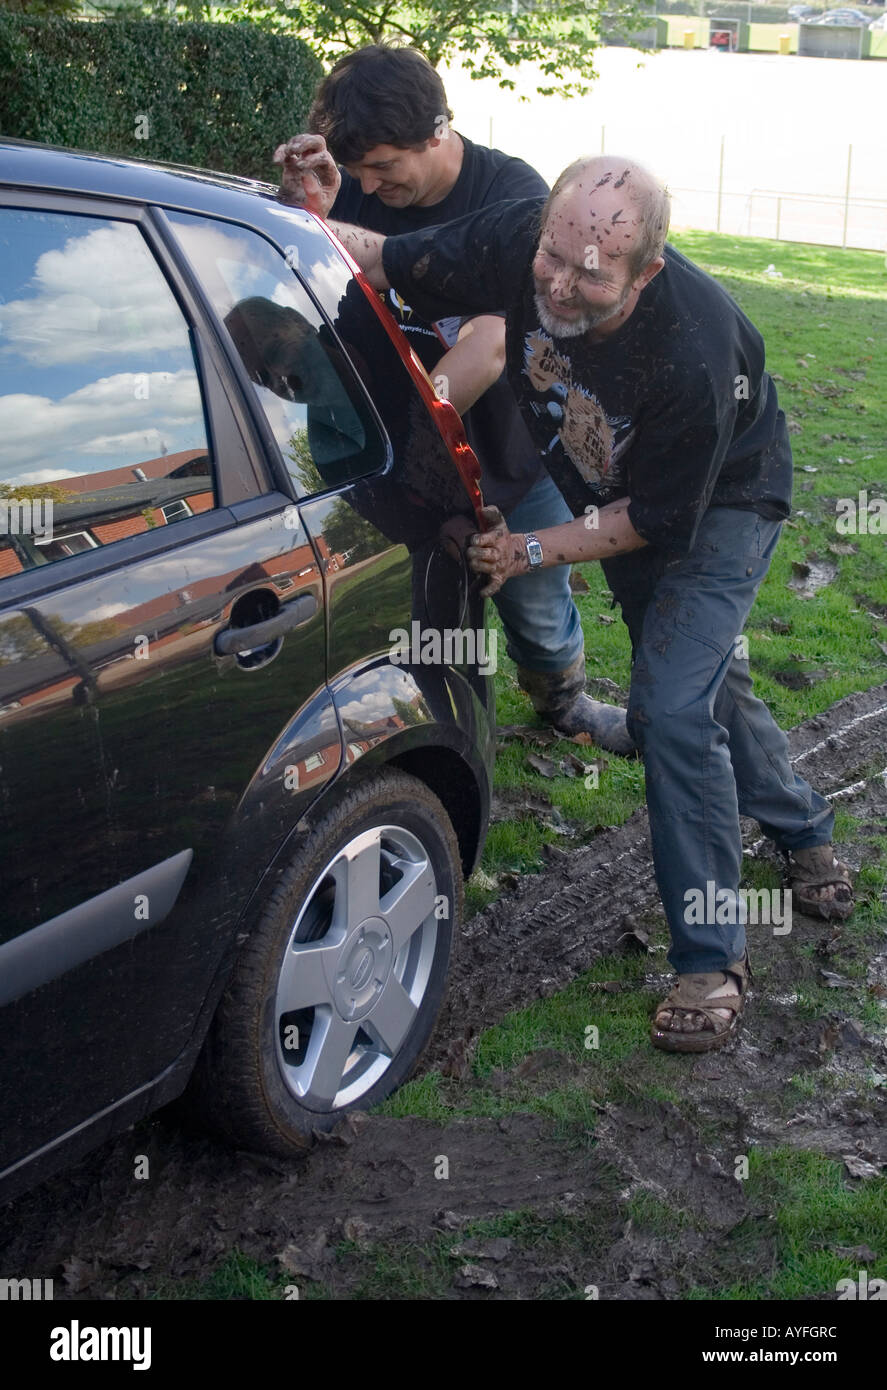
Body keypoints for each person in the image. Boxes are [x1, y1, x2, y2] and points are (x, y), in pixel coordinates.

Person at [280, 152, 855, 1052]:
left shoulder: (695, 351)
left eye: (590, 274)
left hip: (717, 504)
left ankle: (709, 959)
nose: (557, 281)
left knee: (667, 707)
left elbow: (653, 519)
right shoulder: (521, 238)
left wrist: (529, 549)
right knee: (698, 682)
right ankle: (801, 827)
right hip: (609, 490)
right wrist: (311, 217)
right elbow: (384, 257)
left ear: (646, 269)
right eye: (551, 256)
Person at [273, 45, 633, 754]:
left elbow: (494, 340)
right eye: (359, 172)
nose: (370, 188)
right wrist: (301, 205)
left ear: (437, 130)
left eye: (384, 168)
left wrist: (420, 428)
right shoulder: (346, 185)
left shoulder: (514, 198)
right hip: (390, 444)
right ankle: (431, 716)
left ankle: (561, 698)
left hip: (507, 441)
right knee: (416, 584)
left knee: (531, 594)